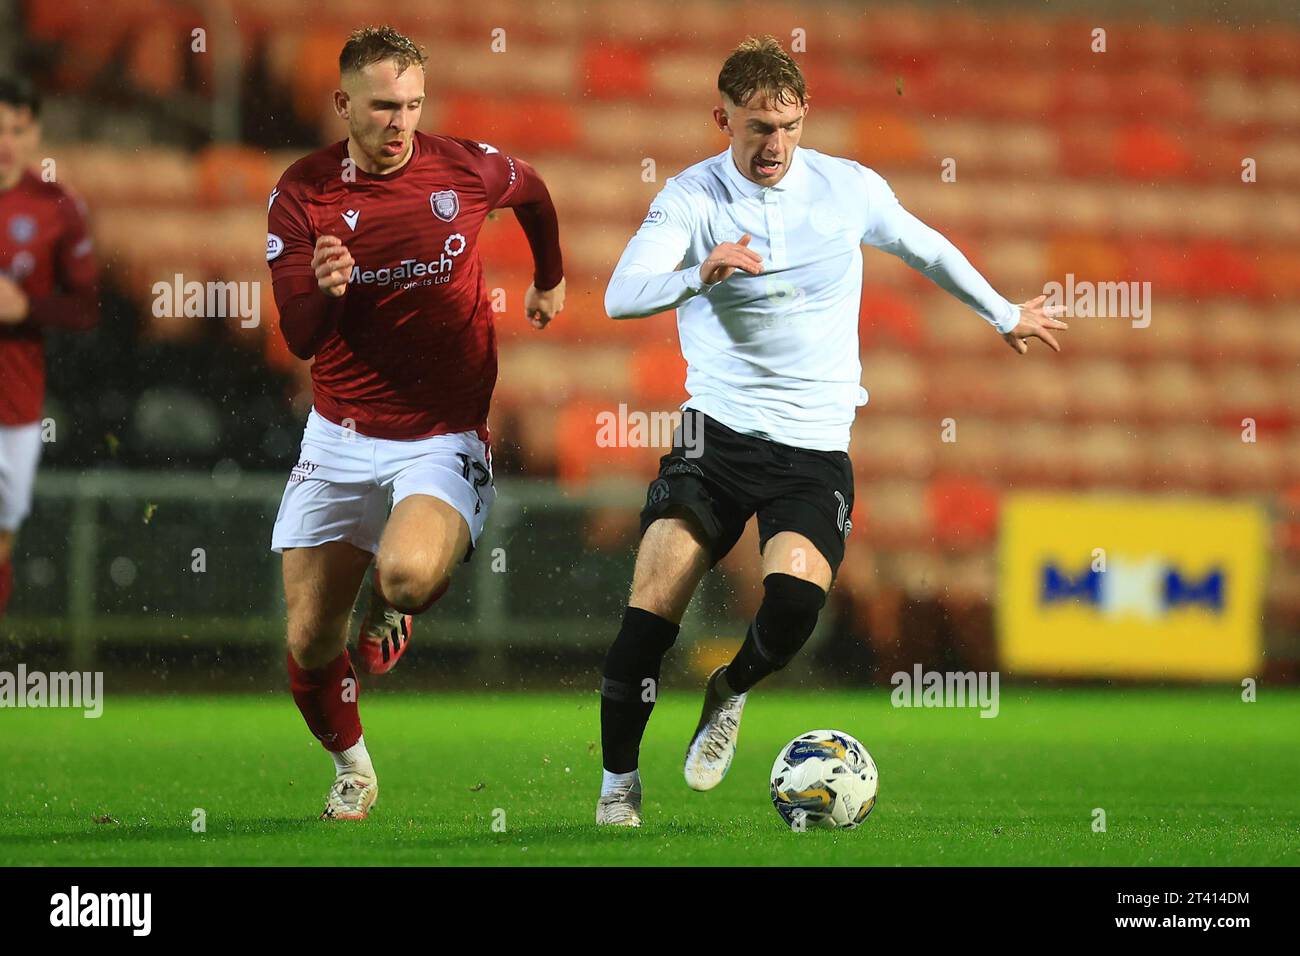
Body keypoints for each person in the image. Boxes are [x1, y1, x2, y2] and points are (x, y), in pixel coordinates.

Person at [595, 36, 1067, 826]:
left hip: (813, 449)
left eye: (785, 126)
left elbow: (924, 244)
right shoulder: (691, 198)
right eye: (755, 128)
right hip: (715, 439)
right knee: (652, 605)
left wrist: (1004, 314)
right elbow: (619, 295)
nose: (773, 144)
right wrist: (695, 275)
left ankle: (729, 688)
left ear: (804, 117)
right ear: (723, 119)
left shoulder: (848, 189)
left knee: (791, 608)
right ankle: (618, 787)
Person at [267, 26, 565, 820]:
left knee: (402, 574)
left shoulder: (463, 168)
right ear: (342, 105)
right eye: (383, 107)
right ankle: (354, 770)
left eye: (412, 105)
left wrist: (549, 279)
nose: (400, 122)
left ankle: (392, 606)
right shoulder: (302, 192)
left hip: (442, 433)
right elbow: (299, 337)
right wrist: (325, 289)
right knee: (306, 639)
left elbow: (532, 189)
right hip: (338, 433)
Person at [0, 76, 99, 619]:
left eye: (17, 128)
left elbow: (86, 308)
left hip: (14, 399)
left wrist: (27, 309)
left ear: (35, 131)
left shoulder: (55, 207)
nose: (6, 141)